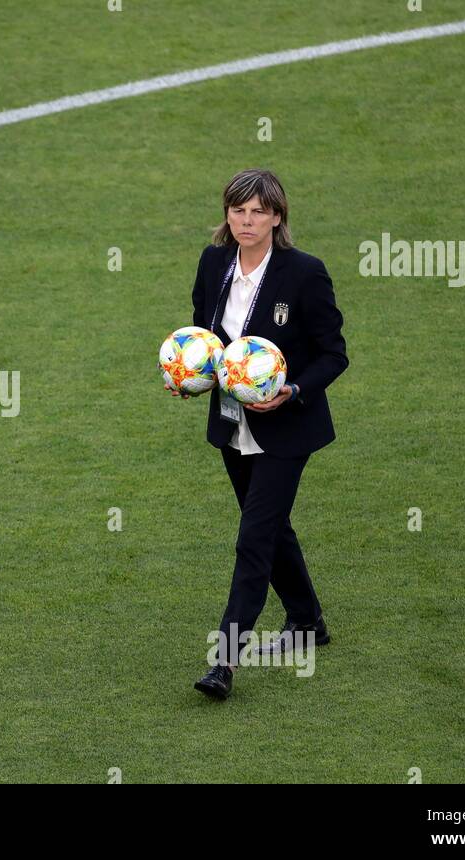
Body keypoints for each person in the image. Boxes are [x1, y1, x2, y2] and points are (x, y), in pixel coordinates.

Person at [172, 168, 348, 700]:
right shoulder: (213, 262)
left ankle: (223, 662)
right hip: (232, 421)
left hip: (286, 425)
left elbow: (333, 354)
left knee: (253, 538)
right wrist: (191, 375)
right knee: (270, 528)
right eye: (237, 210)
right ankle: (307, 622)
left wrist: (291, 391)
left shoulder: (304, 273)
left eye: (258, 212)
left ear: (277, 217)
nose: (246, 221)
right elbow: (203, 330)